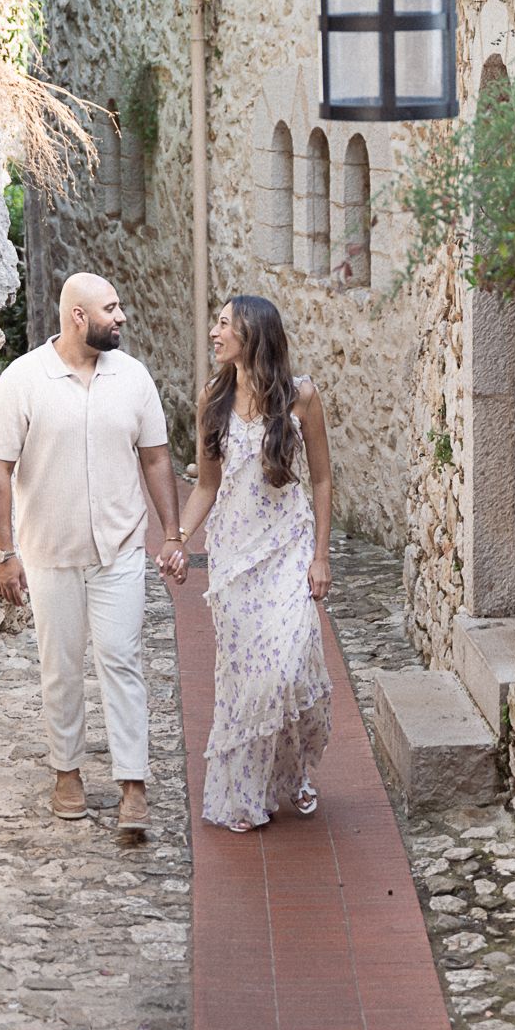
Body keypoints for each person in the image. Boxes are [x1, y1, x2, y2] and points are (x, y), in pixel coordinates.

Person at [0, 272, 187, 831]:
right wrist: (5, 552)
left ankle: (132, 786)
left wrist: (172, 534)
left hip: (119, 549)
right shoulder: (24, 380)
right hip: (49, 551)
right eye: (110, 308)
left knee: (122, 660)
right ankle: (66, 772)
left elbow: (156, 459)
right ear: (78, 316)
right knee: (61, 666)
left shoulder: (134, 377)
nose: (120, 317)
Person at [177, 295, 333, 832]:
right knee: (251, 682)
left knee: (289, 669)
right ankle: (253, 789)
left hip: (287, 549)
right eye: (217, 322)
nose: (215, 332)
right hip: (234, 559)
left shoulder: (301, 398)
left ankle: (293, 772)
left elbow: (321, 479)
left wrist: (319, 556)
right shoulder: (211, 400)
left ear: (253, 335)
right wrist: (178, 537)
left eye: (224, 324)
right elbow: (206, 486)